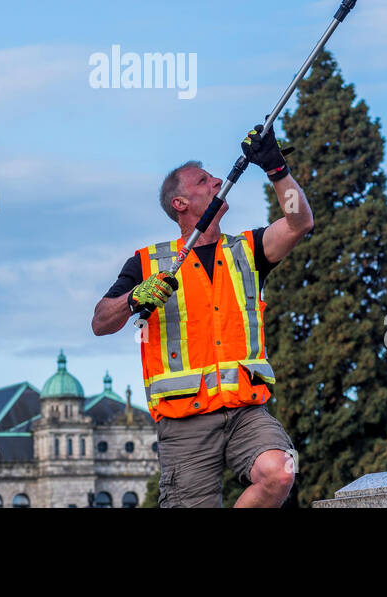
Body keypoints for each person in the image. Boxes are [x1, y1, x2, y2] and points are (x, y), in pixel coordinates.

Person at [91, 124, 313, 506]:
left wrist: (276, 167)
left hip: (246, 412)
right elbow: (100, 322)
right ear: (180, 203)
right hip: (184, 422)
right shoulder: (149, 263)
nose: (216, 182)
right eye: (203, 180)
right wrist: (134, 298)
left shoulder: (248, 249)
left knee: (281, 470)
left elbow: (299, 222)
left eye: (214, 178)